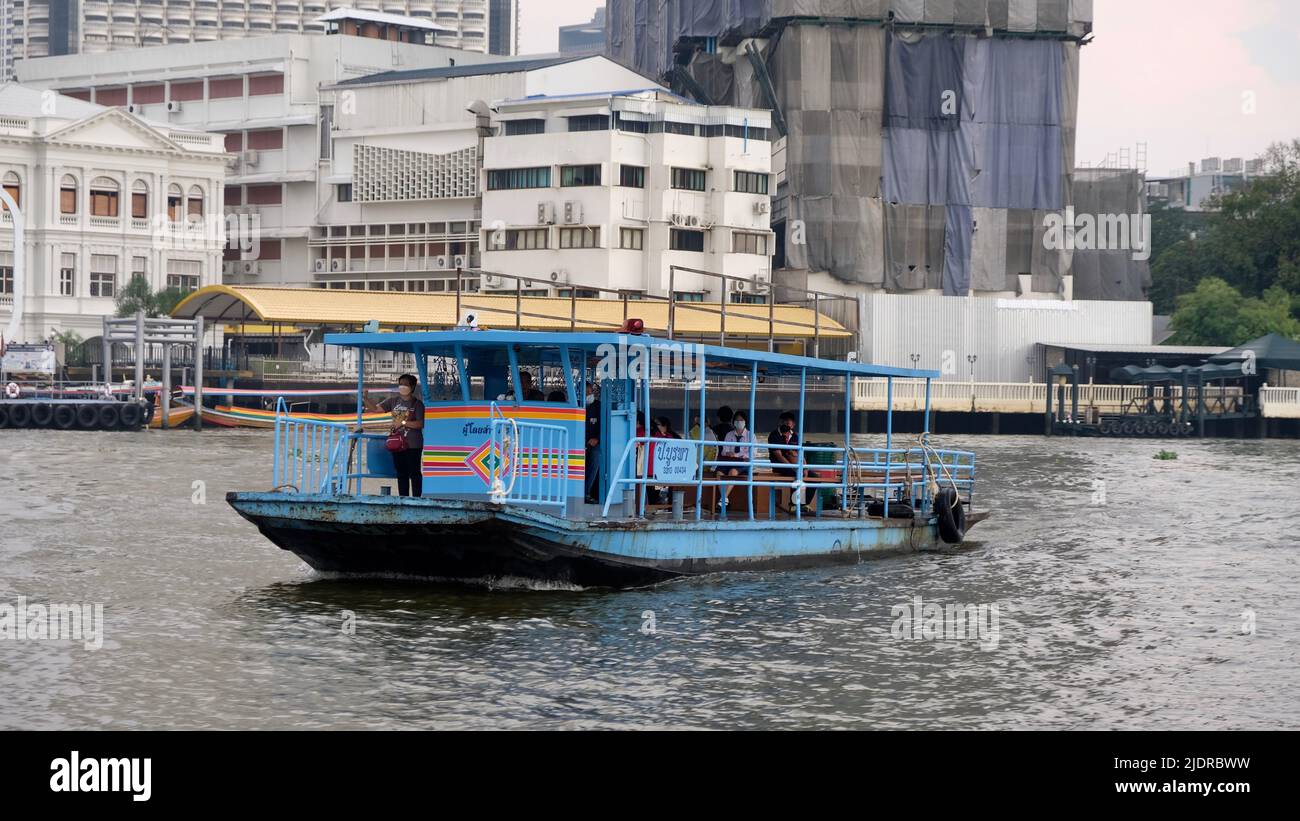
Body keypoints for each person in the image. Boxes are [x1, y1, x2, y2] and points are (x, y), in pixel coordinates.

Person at [363, 373, 425, 498]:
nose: (402, 387)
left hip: (413, 444)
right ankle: (403, 498)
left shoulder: (417, 404)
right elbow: (376, 409)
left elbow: (420, 424)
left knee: (414, 473)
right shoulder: (393, 401)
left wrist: (402, 422)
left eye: (406, 384)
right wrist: (365, 398)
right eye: (400, 384)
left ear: (412, 387)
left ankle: (417, 498)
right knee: (401, 473)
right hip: (397, 443)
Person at [769, 411, 813, 510]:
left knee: (814, 477)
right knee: (797, 474)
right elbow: (779, 456)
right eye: (783, 422)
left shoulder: (796, 436)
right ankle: (793, 504)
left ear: (793, 425)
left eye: (788, 423)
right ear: (779, 423)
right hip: (779, 466)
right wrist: (793, 467)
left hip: (795, 465)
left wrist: (805, 467)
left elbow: (800, 453)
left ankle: (803, 504)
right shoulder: (774, 435)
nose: (785, 424)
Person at [717, 410, 755, 509]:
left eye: (741, 420)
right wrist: (728, 453)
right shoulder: (729, 435)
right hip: (729, 461)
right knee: (719, 473)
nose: (739, 422)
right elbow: (723, 450)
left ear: (745, 422)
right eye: (737, 420)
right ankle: (724, 499)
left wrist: (737, 455)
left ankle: (723, 499)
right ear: (733, 422)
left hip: (743, 463)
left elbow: (752, 453)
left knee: (733, 472)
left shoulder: (751, 436)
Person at [647, 416, 682, 505]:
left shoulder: (673, 437)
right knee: (652, 494)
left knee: (670, 492)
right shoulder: (652, 436)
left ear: (665, 425)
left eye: (657, 424)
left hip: (668, 470)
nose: (655, 426)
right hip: (653, 470)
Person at [584, 382, 601, 504]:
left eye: (590, 392)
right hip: (577, 443)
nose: (589, 394)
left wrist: (597, 438)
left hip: (594, 443)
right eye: (586, 392)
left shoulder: (598, 406)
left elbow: (605, 426)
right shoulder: (576, 406)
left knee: (596, 457)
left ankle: (587, 492)